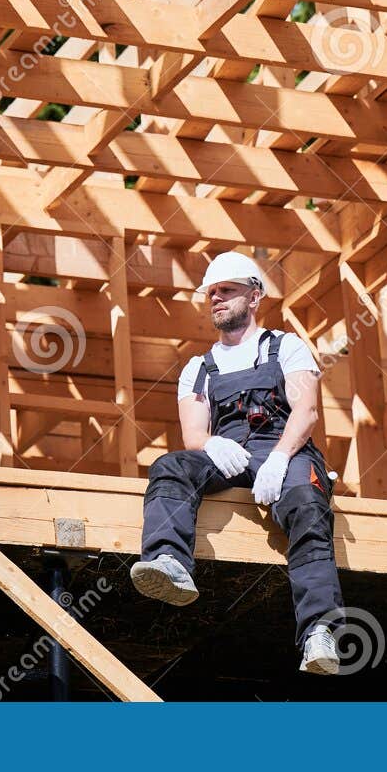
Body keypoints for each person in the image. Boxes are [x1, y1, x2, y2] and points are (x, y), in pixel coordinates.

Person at [129, 251, 344, 675]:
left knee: (305, 503)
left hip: (286, 449)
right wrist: (211, 445)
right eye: (212, 293)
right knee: (170, 466)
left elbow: (307, 412)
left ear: (255, 295)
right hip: (227, 453)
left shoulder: (287, 347)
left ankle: (320, 630)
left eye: (227, 290)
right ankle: (170, 562)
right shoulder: (197, 368)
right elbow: (193, 433)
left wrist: (281, 459)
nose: (217, 299)